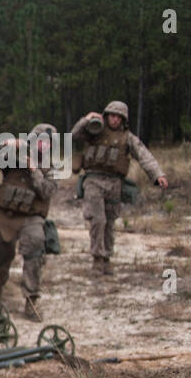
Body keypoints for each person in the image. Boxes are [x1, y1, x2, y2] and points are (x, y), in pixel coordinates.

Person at [71, 100, 167, 275]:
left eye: (118, 117)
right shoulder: (95, 130)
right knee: (97, 220)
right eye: (112, 116)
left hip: (115, 183)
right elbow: (74, 135)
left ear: (123, 119)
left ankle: (106, 258)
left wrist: (158, 174)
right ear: (106, 116)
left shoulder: (128, 138)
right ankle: (97, 260)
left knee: (109, 222)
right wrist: (86, 119)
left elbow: (144, 155)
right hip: (93, 180)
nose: (114, 120)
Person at [0, 126, 58, 321]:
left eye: (47, 142)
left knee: (35, 245)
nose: (43, 144)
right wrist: (5, 145)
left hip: (32, 217)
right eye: (39, 140)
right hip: (6, 214)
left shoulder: (50, 166)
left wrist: (34, 169)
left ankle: (31, 300)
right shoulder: (13, 155)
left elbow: (48, 191)